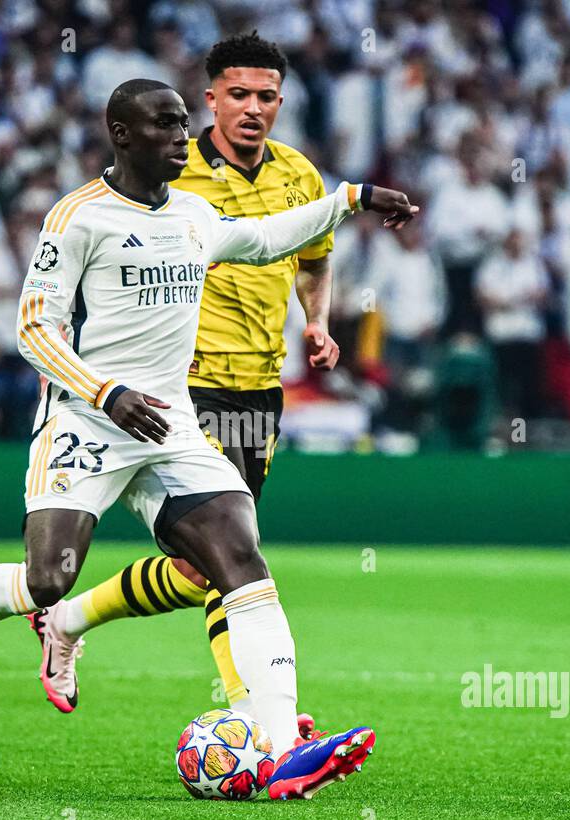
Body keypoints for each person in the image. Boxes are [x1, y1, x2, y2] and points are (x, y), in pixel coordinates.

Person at [0, 79, 418, 800]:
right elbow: (32, 329)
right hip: (85, 421)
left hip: (168, 427)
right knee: (47, 579)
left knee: (240, 558)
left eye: (183, 124)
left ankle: (282, 744)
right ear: (121, 134)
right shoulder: (78, 218)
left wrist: (352, 199)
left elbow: (267, 239)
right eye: (166, 125)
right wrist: (106, 391)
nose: (182, 137)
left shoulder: (195, 214)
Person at [31, 32, 342, 719]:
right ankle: (255, 715)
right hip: (178, 388)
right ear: (211, 101)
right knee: (231, 561)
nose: (252, 108)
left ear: (282, 102)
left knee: (202, 568)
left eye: (266, 96)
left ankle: (71, 620)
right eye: (238, 95)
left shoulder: (300, 174)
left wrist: (316, 322)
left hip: (259, 384)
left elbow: (308, 254)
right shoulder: (172, 172)